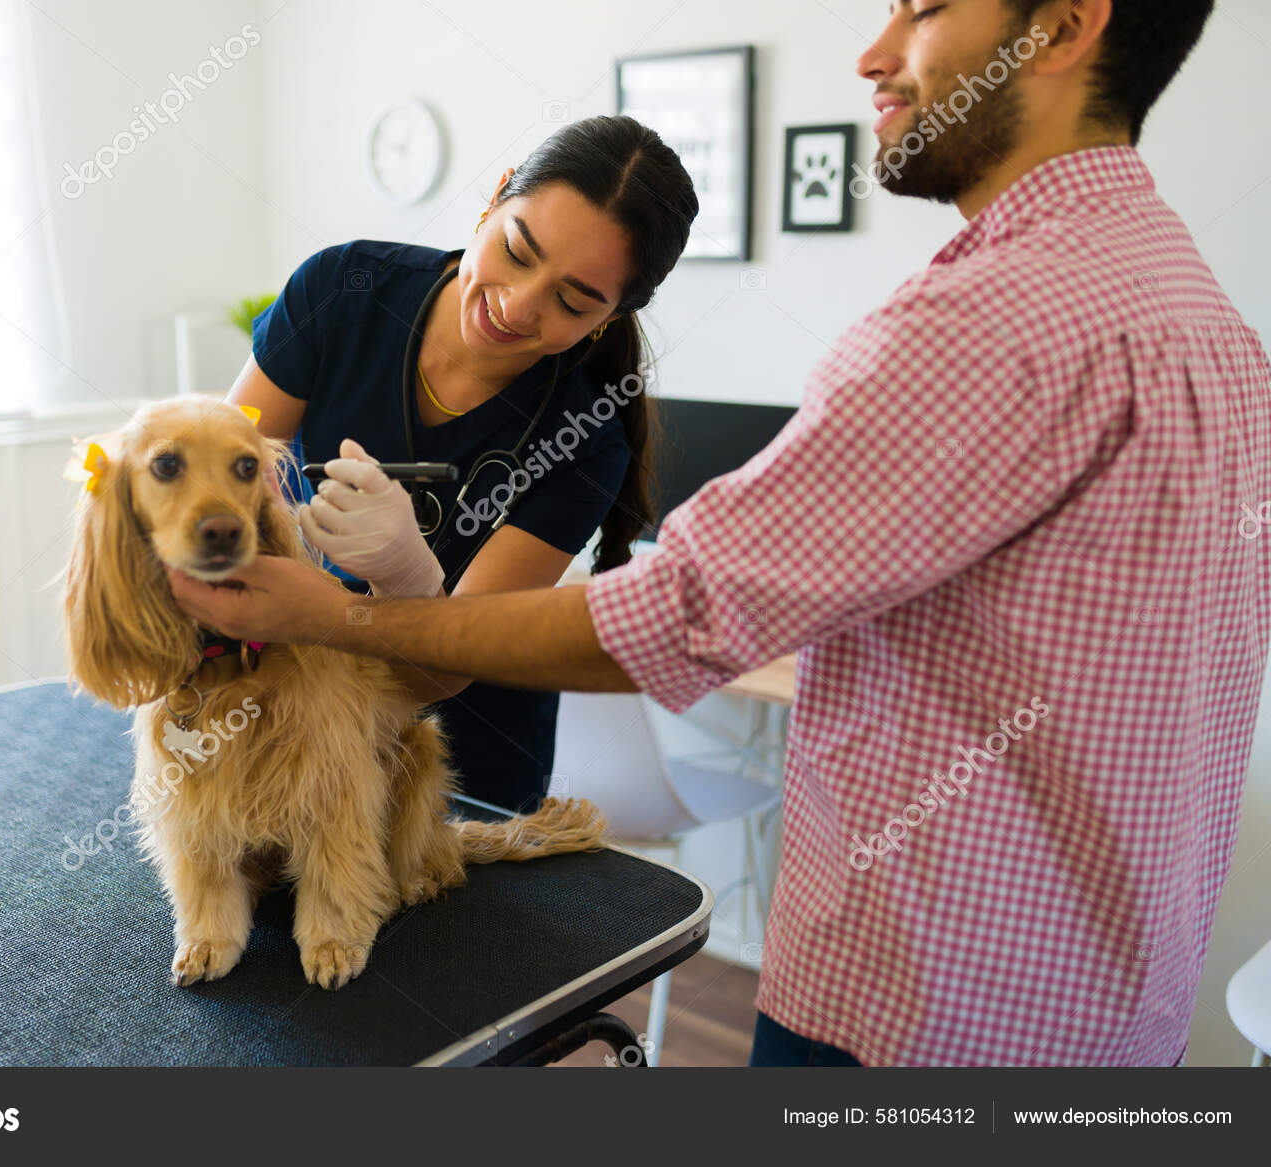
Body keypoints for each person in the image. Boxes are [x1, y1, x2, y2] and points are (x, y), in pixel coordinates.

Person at [174, 0, 1268, 1067]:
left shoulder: (976, 328)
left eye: (923, 8)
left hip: (921, 1010)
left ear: (1067, 25)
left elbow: (680, 615)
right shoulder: (1211, 326)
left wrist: (362, 608)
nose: (873, 54)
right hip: (1116, 1013)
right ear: (493, 200)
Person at [227, 115, 697, 813]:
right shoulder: (343, 291)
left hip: (464, 777)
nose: (515, 305)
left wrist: (405, 580)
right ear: (496, 197)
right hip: (297, 728)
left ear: (609, 315)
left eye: (571, 301)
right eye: (515, 249)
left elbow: (439, 676)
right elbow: (219, 483)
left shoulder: (585, 438)